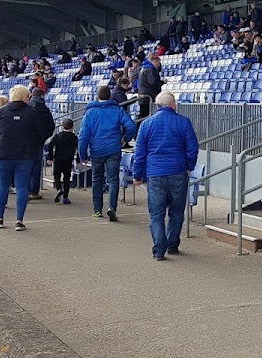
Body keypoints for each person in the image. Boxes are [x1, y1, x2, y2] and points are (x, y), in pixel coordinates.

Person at [132, 92, 200, 261]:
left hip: (155, 174)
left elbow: (139, 153)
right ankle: (172, 244)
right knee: (176, 212)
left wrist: (137, 174)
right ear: (173, 104)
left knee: (156, 214)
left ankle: (158, 250)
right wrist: (189, 167)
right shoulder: (184, 122)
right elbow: (192, 148)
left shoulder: (146, 124)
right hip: (178, 172)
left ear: (158, 105)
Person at [0, 85, 54, 231]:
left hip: (3, 153)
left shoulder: (0, 112)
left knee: (3, 185)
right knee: (22, 186)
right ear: (26, 96)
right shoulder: (32, 113)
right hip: (26, 154)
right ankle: (19, 220)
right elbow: (41, 132)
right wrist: (36, 144)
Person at [79, 85, 138, 219]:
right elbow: (131, 126)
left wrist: (83, 155)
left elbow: (83, 135)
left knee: (97, 179)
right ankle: (112, 207)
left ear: (97, 97)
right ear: (110, 96)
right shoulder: (117, 110)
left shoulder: (90, 112)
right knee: (113, 179)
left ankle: (97, 209)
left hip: (97, 150)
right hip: (113, 149)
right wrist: (125, 139)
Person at [48, 118, 79, 205]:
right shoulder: (74, 138)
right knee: (67, 178)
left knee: (57, 176)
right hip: (69, 160)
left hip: (58, 159)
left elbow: (50, 146)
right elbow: (78, 149)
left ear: (62, 126)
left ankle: (58, 189)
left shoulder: (58, 136)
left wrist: (50, 158)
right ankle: (65, 197)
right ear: (72, 127)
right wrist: (78, 159)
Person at [138, 53, 165, 119]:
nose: (159, 65)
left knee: (143, 117)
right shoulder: (150, 70)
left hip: (144, 97)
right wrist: (162, 82)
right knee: (146, 117)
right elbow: (153, 83)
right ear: (155, 61)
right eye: (159, 62)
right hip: (149, 97)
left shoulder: (144, 68)